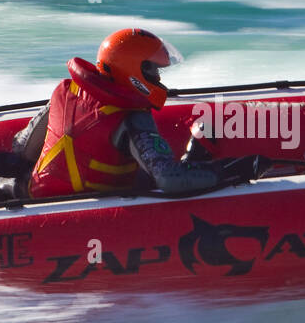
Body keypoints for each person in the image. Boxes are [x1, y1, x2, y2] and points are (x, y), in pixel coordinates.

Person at [14, 28, 228, 197]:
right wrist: (227, 171)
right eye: (154, 71)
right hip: (90, 210)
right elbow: (168, 179)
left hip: (36, 191)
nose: (159, 79)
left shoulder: (65, 91)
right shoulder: (132, 118)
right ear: (133, 71)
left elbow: (22, 149)